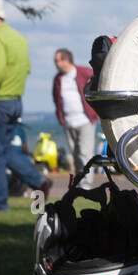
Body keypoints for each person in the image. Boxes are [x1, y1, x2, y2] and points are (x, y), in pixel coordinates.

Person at [0, 0, 49, 211]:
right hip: (16, 101)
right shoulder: (18, 37)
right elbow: (27, 68)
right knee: (5, 150)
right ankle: (37, 180)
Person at [52, 48, 98, 187]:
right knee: (76, 154)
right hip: (68, 122)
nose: (56, 63)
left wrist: (95, 108)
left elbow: (97, 81)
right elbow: (56, 98)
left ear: (66, 60)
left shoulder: (83, 72)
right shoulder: (58, 78)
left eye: (58, 60)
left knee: (85, 152)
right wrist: (60, 118)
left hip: (85, 120)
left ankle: (87, 184)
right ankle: (80, 181)